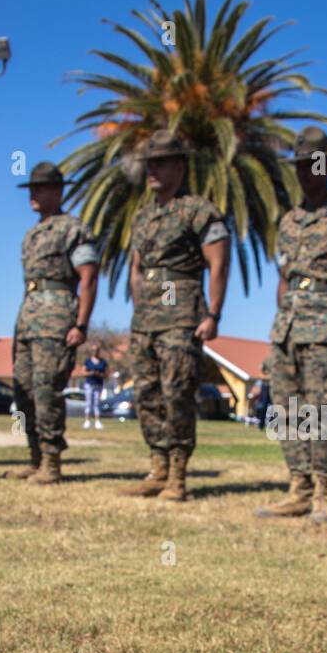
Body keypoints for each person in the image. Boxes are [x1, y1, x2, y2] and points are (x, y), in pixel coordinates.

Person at [255, 127, 327, 525]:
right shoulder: (288, 221)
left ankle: (323, 494)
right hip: (287, 328)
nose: (306, 172)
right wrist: (278, 320)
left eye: (313, 164)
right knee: (286, 410)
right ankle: (297, 488)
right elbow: (283, 278)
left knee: (323, 411)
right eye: (299, 166)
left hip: (326, 324)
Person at [119, 130, 230, 502]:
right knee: (147, 393)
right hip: (146, 320)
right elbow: (135, 268)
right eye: (149, 163)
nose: (152, 170)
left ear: (180, 167)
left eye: (161, 162)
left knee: (177, 392)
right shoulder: (143, 217)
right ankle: (157, 466)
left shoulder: (199, 210)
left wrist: (213, 313)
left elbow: (218, 263)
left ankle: (178, 474)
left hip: (181, 312)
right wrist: (138, 311)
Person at [5, 162, 100, 485]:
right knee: (24, 390)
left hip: (57, 319)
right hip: (28, 319)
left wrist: (81, 324)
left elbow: (88, 277)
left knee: (47, 390)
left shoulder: (72, 229)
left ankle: (51, 460)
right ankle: (35, 457)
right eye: (31, 188)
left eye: (41, 188)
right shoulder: (31, 235)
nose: (33, 194)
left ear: (58, 192)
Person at [82, 344, 108, 430]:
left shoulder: (103, 362)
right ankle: (87, 421)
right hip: (89, 384)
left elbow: (107, 374)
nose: (95, 352)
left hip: (98, 384)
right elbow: (82, 372)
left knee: (97, 403)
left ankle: (97, 421)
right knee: (88, 403)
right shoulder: (87, 361)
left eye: (96, 350)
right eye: (93, 350)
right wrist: (90, 373)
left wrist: (99, 374)